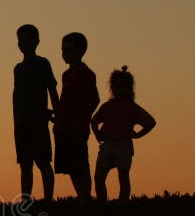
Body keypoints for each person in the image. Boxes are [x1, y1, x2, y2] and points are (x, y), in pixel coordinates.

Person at [91, 66, 157, 202]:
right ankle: (102, 203)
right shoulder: (107, 106)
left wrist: (138, 135)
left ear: (129, 89)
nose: (118, 90)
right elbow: (94, 121)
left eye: (122, 87)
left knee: (123, 176)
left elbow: (151, 122)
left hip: (123, 145)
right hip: (107, 145)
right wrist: (97, 134)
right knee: (99, 177)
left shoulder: (131, 107)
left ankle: (123, 204)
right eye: (115, 87)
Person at [12, 24, 59, 203]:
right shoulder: (18, 68)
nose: (22, 43)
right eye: (20, 40)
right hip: (21, 123)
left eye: (27, 39)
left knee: (43, 163)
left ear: (36, 41)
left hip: (38, 122)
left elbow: (52, 89)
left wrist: (58, 113)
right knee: (25, 165)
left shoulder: (42, 63)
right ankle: (25, 200)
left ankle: (48, 200)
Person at [54, 32, 100, 200]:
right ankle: (81, 197)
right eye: (62, 50)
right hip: (63, 128)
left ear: (80, 51)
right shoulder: (66, 75)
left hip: (77, 128)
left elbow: (94, 99)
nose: (64, 53)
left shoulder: (86, 73)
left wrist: (82, 120)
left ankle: (85, 198)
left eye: (68, 50)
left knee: (80, 165)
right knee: (70, 166)